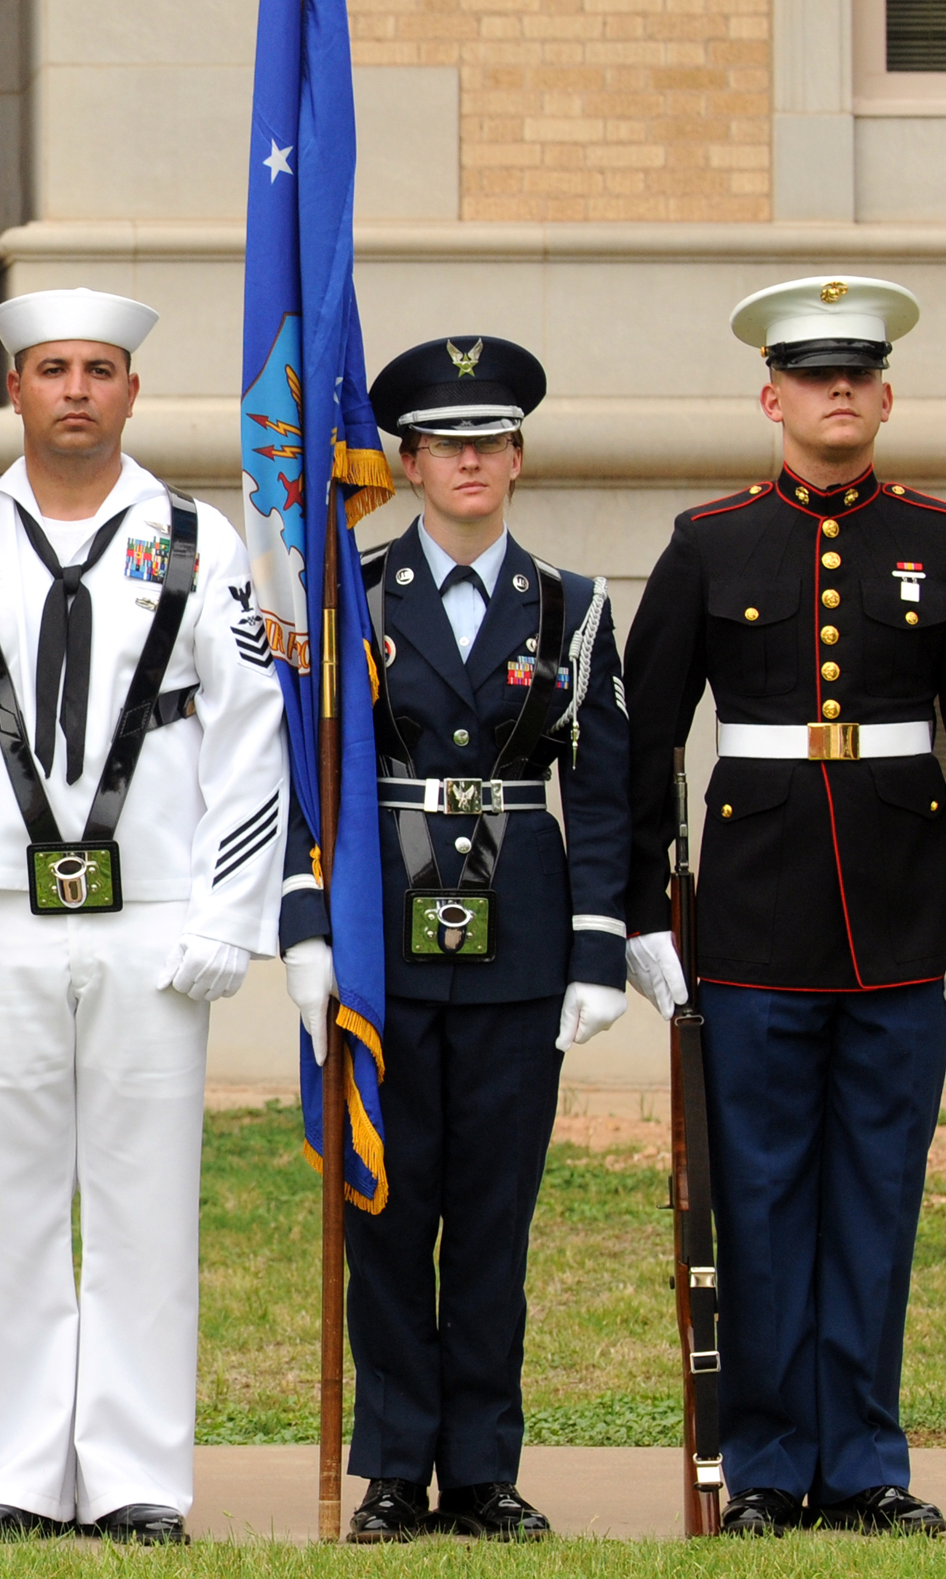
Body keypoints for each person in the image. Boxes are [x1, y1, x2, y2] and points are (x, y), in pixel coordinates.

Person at [620, 277, 946, 1538]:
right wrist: (641, 913)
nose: (836, 392)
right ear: (770, 395)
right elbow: (643, 742)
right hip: (753, 918)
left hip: (901, 917)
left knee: (876, 1199)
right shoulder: (710, 541)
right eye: (813, 374)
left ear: (887, 395)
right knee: (764, 1198)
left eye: (858, 373)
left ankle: (868, 1464)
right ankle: (771, 1467)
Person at [0, 289, 291, 1546]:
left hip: (151, 906)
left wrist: (227, 908)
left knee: (146, 1198)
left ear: (134, 392)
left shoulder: (200, 537)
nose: (76, 389)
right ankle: (13, 1477)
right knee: (10, 1194)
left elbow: (252, 728)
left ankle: (141, 1478)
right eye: (50, 369)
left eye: (100, 369)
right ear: (15, 391)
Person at [293, 338, 629, 1543]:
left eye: (491, 440)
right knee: (389, 1210)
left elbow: (602, 792)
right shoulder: (353, 599)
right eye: (446, 443)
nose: (471, 459)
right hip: (387, 933)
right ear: (410, 462)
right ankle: (392, 1467)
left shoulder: (577, 610)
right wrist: (307, 922)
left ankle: (482, 1469)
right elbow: (313, 773)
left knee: (493, 1219)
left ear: (520, 459)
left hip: (518, 946)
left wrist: (598, 947)